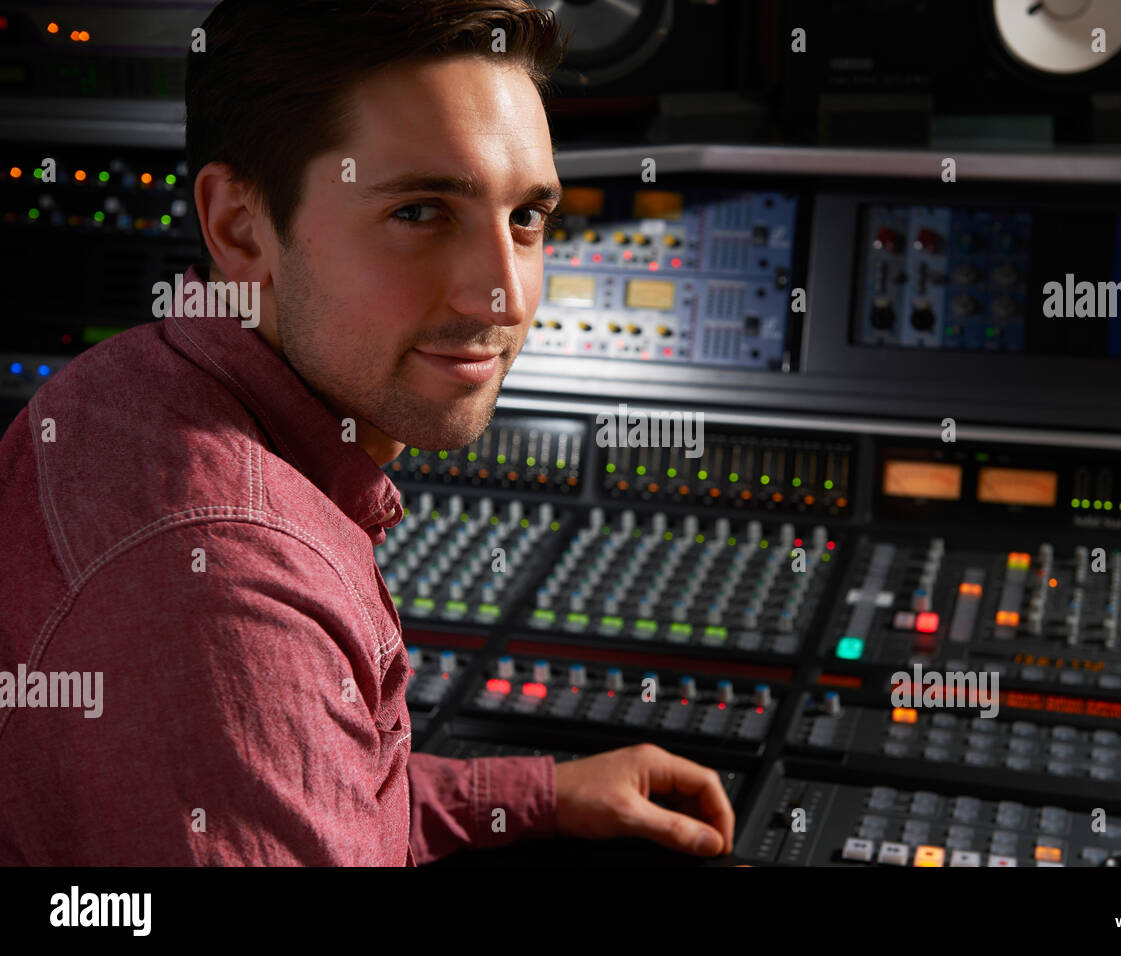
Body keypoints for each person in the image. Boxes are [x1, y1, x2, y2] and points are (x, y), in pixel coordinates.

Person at [0, 0, 733, 865]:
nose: (504, 297)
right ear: (240, 228)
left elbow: (296, 785)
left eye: (528, 218)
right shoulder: (226, 591)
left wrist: (530, 796)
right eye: (421, 213)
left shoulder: (127, 388)